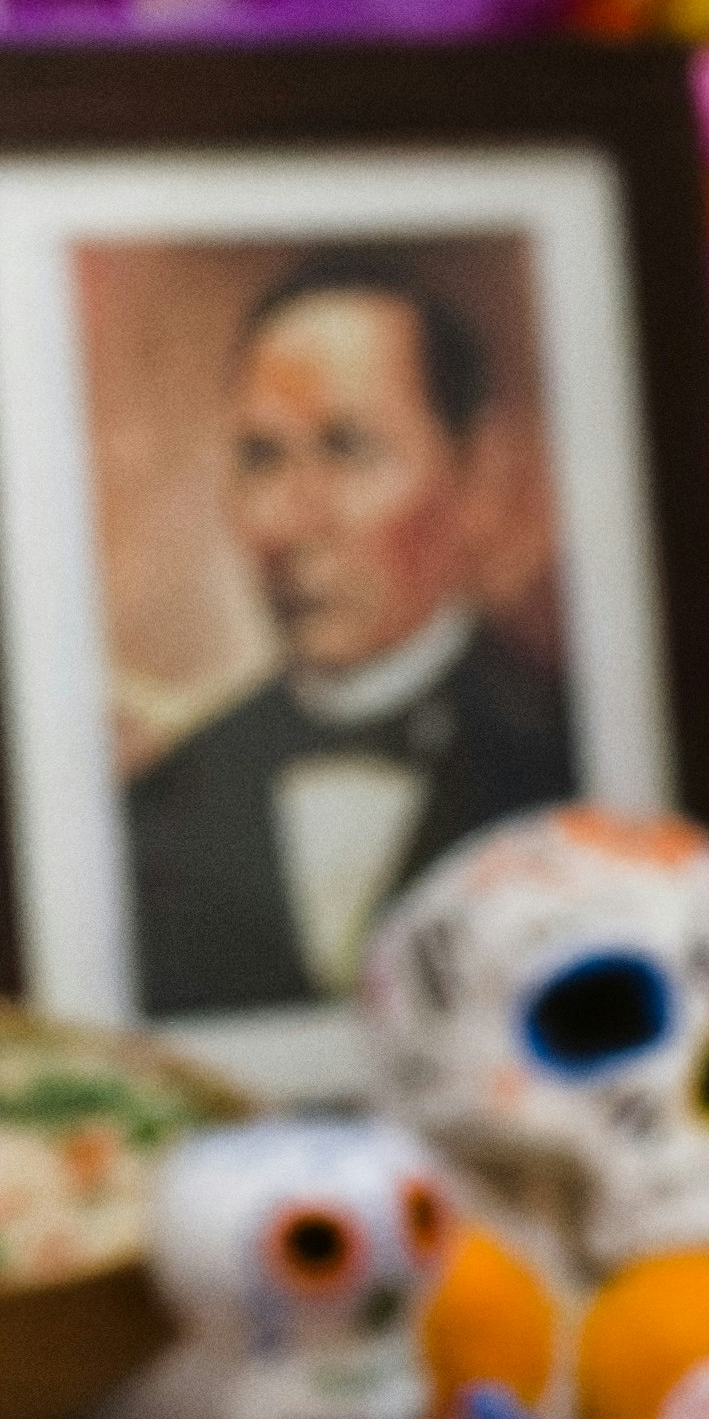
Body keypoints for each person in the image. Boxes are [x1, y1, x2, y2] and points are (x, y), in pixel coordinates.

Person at [125, 252, 576, 1015]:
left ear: (478, 474)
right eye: (261, 458)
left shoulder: (572, 757)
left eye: (348, 447)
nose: (291, 521)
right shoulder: (153, 809)